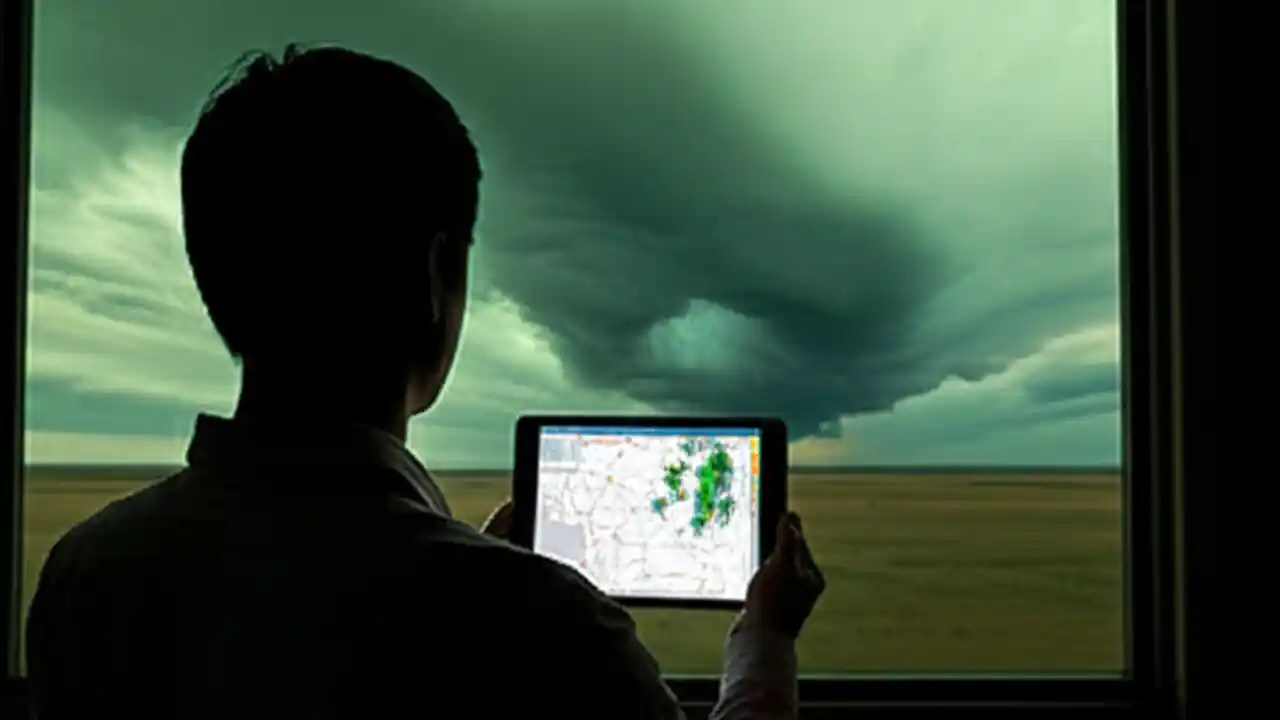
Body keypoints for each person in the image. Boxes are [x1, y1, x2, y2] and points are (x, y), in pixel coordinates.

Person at [26, 45, 826, 719]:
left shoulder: (87, 577)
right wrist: (765, 641)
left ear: (213, 273)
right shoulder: (541, 626)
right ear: (436, 273)